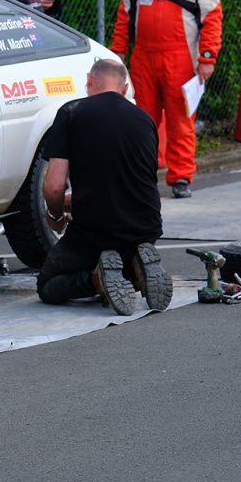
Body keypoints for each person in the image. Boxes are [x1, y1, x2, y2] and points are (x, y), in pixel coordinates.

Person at [37, 59, 171, 316]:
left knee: (47, 286)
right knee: (121, 253)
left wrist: (55, 215)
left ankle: (97, 280)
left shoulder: (70, 112)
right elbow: (130, 181)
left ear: (89, 81)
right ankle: (134, 268)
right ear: (125, 88)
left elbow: (54, 187)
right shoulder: (145, 119)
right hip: (146, 228)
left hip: (95, 233)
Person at [109, 0, 222, 199]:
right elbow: (124, 17)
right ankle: (142, 176)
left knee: (180, 120)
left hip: (181, 61)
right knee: (140, 120)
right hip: (143, 59)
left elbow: (212, 21)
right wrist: (117, 52)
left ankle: (180, 177)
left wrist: (207, 57)